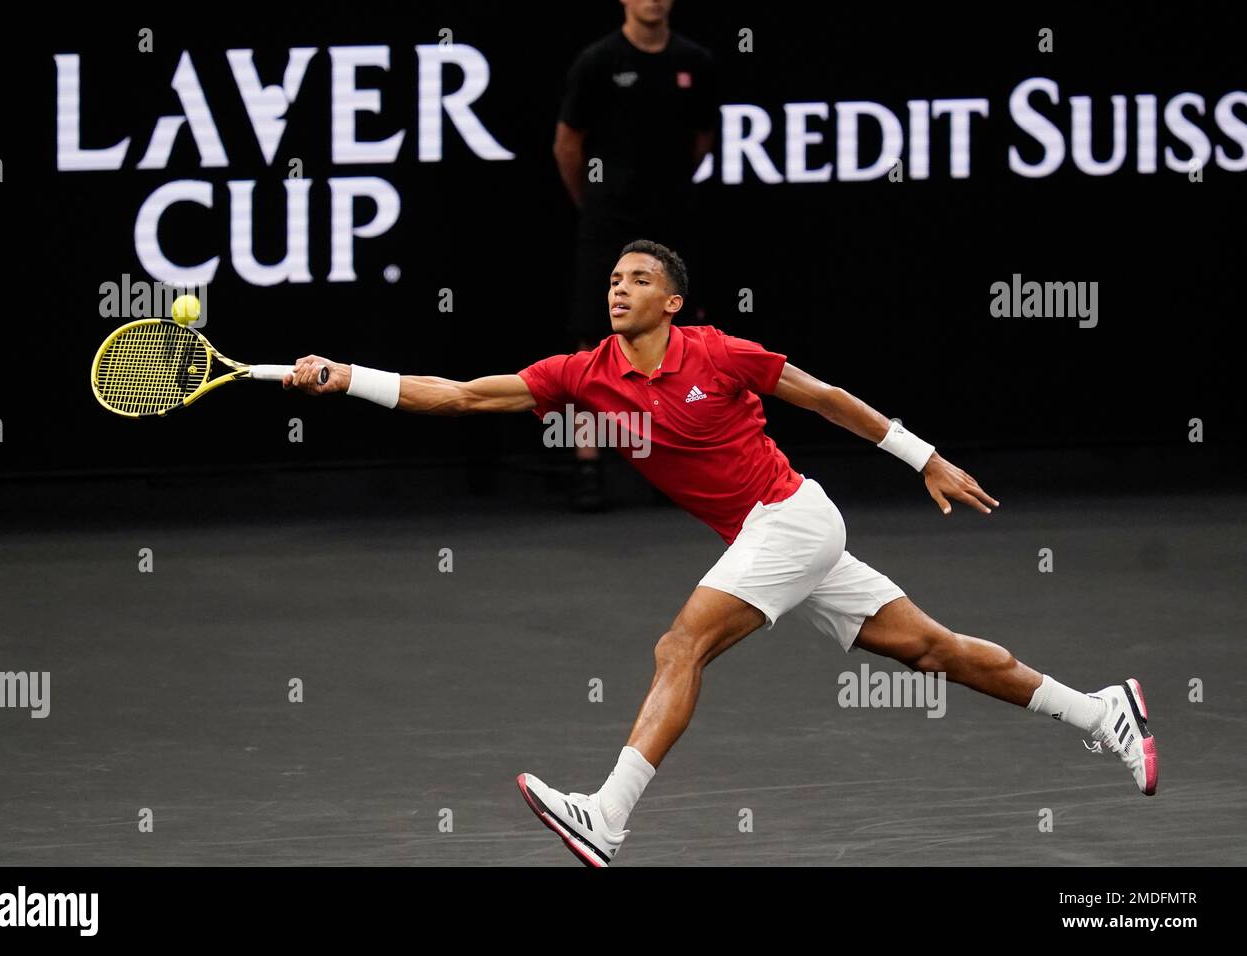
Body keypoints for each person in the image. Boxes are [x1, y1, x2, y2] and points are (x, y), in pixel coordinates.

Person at [282, 239, 1158, 868]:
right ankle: (1100, 712)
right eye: (613, 278)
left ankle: (607, 817)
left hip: (794, 519)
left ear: (672, 301)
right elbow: (467, 397)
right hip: (774, 538)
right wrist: (347, 376)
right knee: (930, 650)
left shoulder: (721, 353)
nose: (618, 289)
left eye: (639, 280)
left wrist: (924, 457)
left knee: (680, 645)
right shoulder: (586, 372)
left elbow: (827, 398)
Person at [554, 0, 718, 510]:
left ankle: (671, 460)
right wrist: (595, 203)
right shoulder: (597, 62)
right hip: (607, 219)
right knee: (591, 334)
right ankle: (587, 465)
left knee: (678, 334)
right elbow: (568, 145)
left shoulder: (696, 61)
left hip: (672, 216)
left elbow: (701, 140)